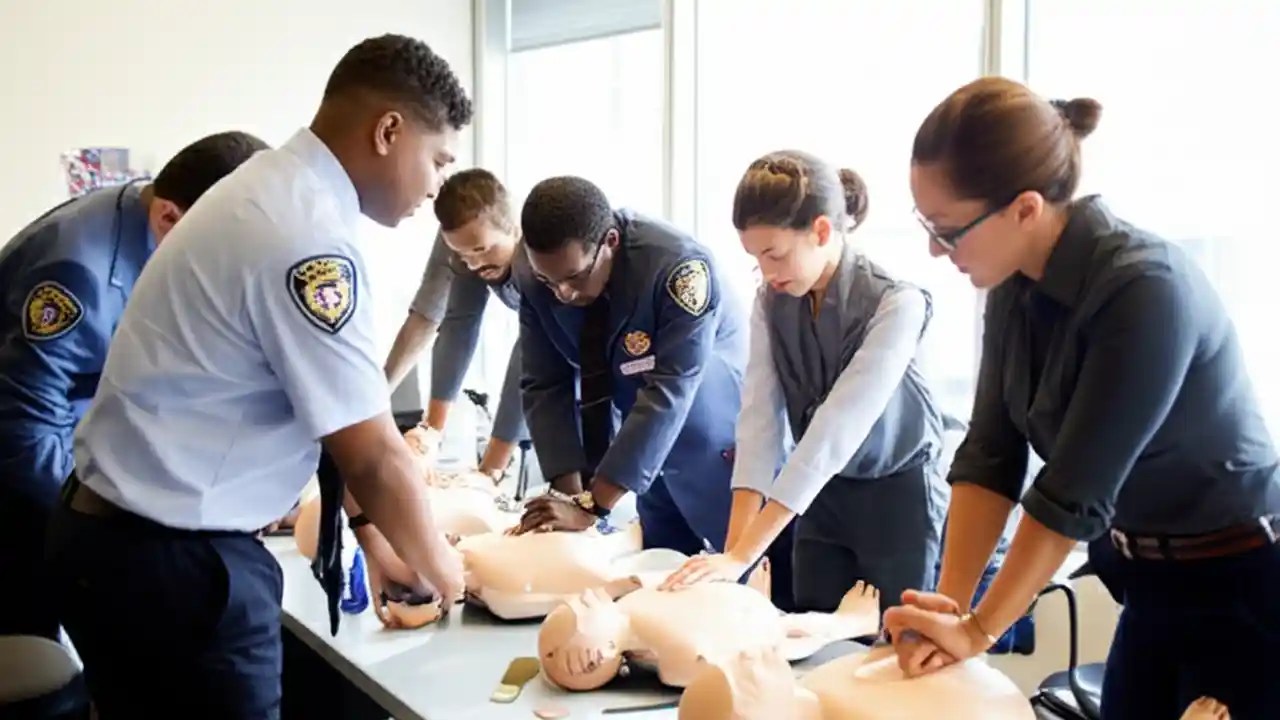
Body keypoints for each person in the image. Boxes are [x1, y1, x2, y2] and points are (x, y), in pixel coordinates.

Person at [44, 34, 473, 718]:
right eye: (438, 160)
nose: (435, 187)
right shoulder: (308, 237)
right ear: (390, 130)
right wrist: (449, 575)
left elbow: (325, 415)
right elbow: (374, 453)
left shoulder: (270, 191)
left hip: (118, 541)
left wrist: (374, 542)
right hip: (174, 565)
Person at [883, 76, 1280, 720]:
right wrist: (947, 612)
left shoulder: (1145, 288)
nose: (934, 248)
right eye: (926, 224)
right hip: (1149, 580)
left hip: (1245, 583)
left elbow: (1072, 490)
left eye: (948, 229)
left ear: (1025, 208)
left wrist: (980, 632)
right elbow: (991, 455)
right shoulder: (1012, 286)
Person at [0, 131, 267, 641]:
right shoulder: (77, 273)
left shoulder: (152, 221)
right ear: (169, 215)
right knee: (34, 657)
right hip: (18, 492)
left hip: (69, 464)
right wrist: (112, 521)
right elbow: (23, 431)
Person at [661, 151, 947, 616]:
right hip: (819, 491)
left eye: (775, 254)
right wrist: (734, 562)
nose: (768, 272)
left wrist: (743, 554)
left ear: (820, 231)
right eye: (755, 258)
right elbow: (759, 425)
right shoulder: (771, 302)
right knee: (809, 627)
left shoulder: (898, 304)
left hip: (898, 494)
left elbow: (835, 431)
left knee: (892, 641)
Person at [509, 176, 796, 603]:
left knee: (751, 589)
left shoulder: (679, 268)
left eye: (573, 277)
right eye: (551, 283)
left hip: (718, 447)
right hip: (641, 454)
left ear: (609, 242)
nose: (564, 294)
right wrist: (569, 494)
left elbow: (671, 389)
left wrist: (593, 505)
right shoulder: (538, 273)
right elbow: (544, 383)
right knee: (663, 585)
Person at [384, 168, 527, 479]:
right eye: (463, 256)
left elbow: (531, 352)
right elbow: (457, 323)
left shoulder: (535, 245)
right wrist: (430, 432)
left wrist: (489, 471)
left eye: (481, 250)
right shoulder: (465, 244)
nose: (473, 263)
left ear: (514, 229)